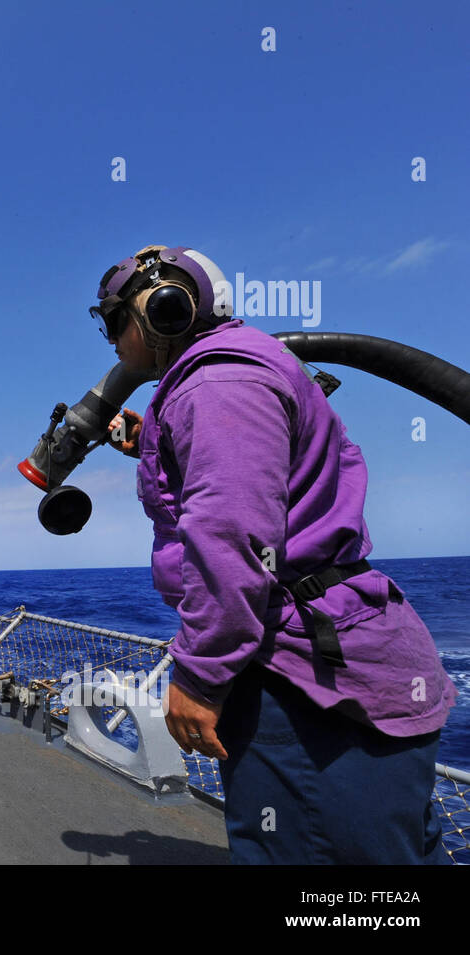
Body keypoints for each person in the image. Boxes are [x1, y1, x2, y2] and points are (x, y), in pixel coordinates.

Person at [93, 244, 455, 864]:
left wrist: (201, 677)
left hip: (301, 682)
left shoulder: (216, 384)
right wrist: (150, 442)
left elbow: (232, 537)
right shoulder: (234, 374)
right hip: (342, 658)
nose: (111, 342)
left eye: (112, 321)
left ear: (161, 313)